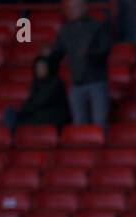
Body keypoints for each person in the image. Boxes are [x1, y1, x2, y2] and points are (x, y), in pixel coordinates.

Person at [45, 0, 112, 128]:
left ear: (85, 7)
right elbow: (58, 51)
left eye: (75, 7)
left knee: (100, 120)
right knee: (79, 122)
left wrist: (90, 53)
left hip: (96, 81)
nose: (72, 10)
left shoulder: (97, 26)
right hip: (76, 83)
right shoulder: (65, 30)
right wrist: (48, 54)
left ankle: (100, 147)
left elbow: (105, 50)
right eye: (70, 8)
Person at [6, 56, 72, 131]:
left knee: (19, 122)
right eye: (38, 67)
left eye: (42, 67)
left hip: (54, 117)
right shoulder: (37, 83)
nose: (39, 70)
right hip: (40, 114)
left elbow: (40, 102)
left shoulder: (55, 83)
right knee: (11, 113)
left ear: (48, 68)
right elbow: (31, 100)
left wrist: (21, 112)